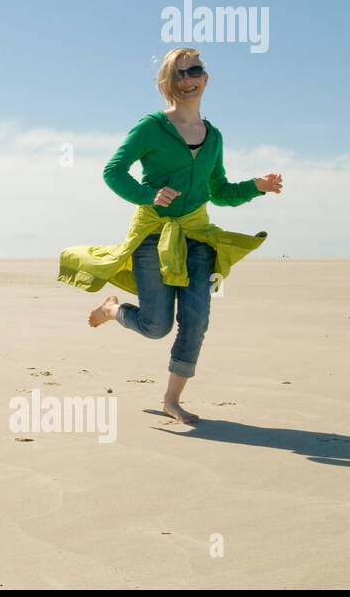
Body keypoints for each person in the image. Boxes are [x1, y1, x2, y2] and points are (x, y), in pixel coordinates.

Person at [59, 49, 283, 423]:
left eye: (195, 71)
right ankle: (113, 310)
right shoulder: (151, 127)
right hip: (153, 236)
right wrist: (149, 195)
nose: (188, 79)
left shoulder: (213, 137)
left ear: (206, 78)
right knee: (156, 326)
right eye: (179, 74)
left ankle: (171, 400)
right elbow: (113, 171)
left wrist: (256, 186)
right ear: (168, 82)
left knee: (196, 320)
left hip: (197, 237)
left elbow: (220, 191)